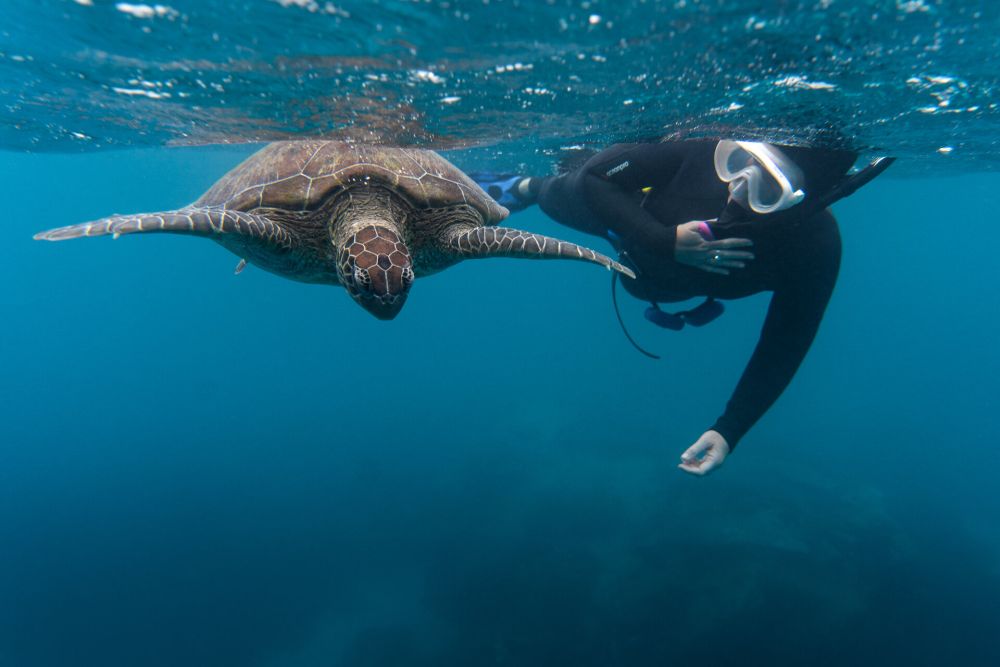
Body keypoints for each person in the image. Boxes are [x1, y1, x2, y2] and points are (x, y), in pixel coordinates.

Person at [475, 139, 888, 476]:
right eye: (741, 162)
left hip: (669, 284)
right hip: (629, 214)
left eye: (768, 187)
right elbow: (596, 180)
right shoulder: (700, 152)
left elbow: (786, 343)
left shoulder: (815, 248)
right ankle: (524, 185)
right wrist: (661, 239)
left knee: (653, 285)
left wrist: (730, 429)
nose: (738, 187)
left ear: (803, 200)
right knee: (561, 189)